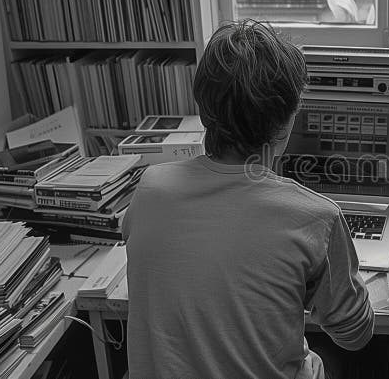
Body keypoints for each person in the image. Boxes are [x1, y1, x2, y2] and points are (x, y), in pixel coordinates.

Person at [123, 20, 374, 379]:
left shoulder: (149, 188)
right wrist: (335, 270)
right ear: (286, 123)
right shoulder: (318, 218)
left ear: (204, 109)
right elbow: (355, 335)